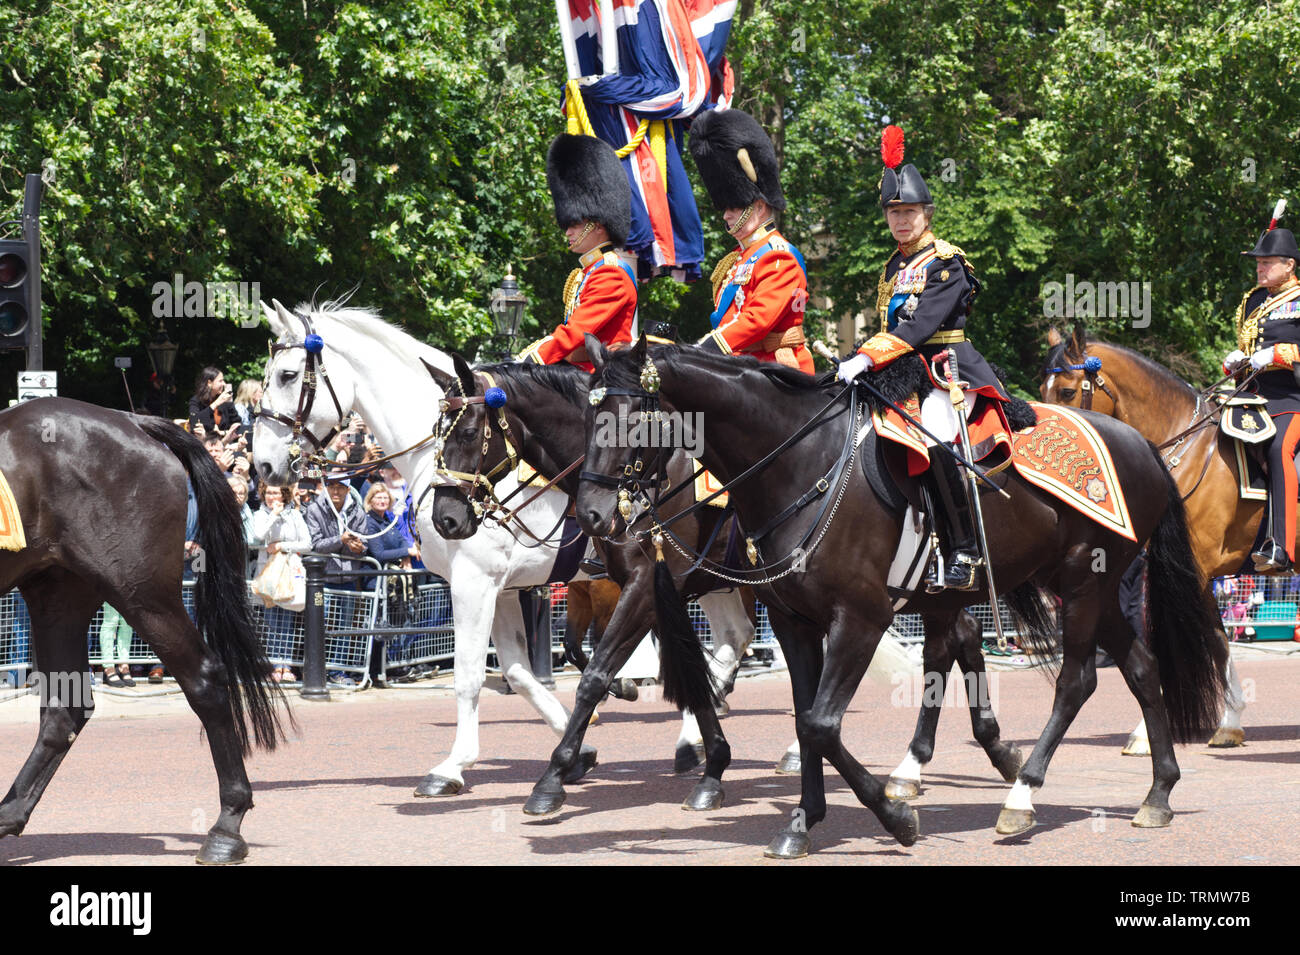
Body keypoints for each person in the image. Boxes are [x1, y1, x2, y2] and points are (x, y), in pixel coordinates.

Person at [837, 125, 1011, 591]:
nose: (901, 221)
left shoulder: (946, 262)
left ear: (927, 214)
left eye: (909, 212)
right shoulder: (894, 267)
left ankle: (966, 551)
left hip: (947, 374)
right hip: (906, 370)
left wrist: (868, 358)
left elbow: (918, 328)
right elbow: (890, 328)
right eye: (894, 213)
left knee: (931, 438)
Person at [689, 108, 813, 373]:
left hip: (774, 369)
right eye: (725, 206)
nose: (726, 214)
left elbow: (756, 320)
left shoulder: (778, 256)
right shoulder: (738, 257)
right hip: (740, 366)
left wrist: (707, 348)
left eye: (734, 206)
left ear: (758, 207)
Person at [1222, 207, 1300, 572]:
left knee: (1278, 449)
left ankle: (1281, 547)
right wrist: (1237, 362)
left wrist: (1278, 354)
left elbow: (1280, 353)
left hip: (1291, 399)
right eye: (1258, 263)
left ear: (1289, 265)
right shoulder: (1253, 300)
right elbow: (1250, 349)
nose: (1260, 269)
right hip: (1253, 396)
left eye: (1267, 263)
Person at [517, 134, 636, 371]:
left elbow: (575, 333)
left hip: (601, 378)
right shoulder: (590, 272)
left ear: (598, 225)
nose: (568, 232)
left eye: (574, 224)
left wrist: (529, 361)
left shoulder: (611, 274)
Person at [303, 471, 370, 686]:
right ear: (325, 487)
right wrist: (340, 540)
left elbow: (364, 545)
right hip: (322, 579)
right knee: (319, 625)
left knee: (345, 627)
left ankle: (339, 670)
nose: (335, 490)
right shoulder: (314, 509)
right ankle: (317, 670)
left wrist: (359, 548)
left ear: (348, 489)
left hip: (348, 577)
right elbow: (315, 544)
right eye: (331, 486)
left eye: (340, 486)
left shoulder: (357, 511)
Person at [253, 482, 312, 683]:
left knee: (287, 620)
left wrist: (281, 545)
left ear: (284, 495)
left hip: (288, 571)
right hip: (268, 573)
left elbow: (307, 544)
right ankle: (273, 665)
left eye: (276, 493)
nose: (271, 497)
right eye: (268, 493)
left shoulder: (294, 515)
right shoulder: (260, 514)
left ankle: (285, 665)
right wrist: (274, 515)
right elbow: (258, 536)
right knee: (271, 621)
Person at [188, 367, 238, 440]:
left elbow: (237, 424)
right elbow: (194, 422)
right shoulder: (196, 401)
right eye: (220, 381)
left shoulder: (226, 401)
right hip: (204, 443)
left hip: (225, 443)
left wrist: (222, 433)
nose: (224, 384)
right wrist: (216, 403)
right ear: (209, 383)